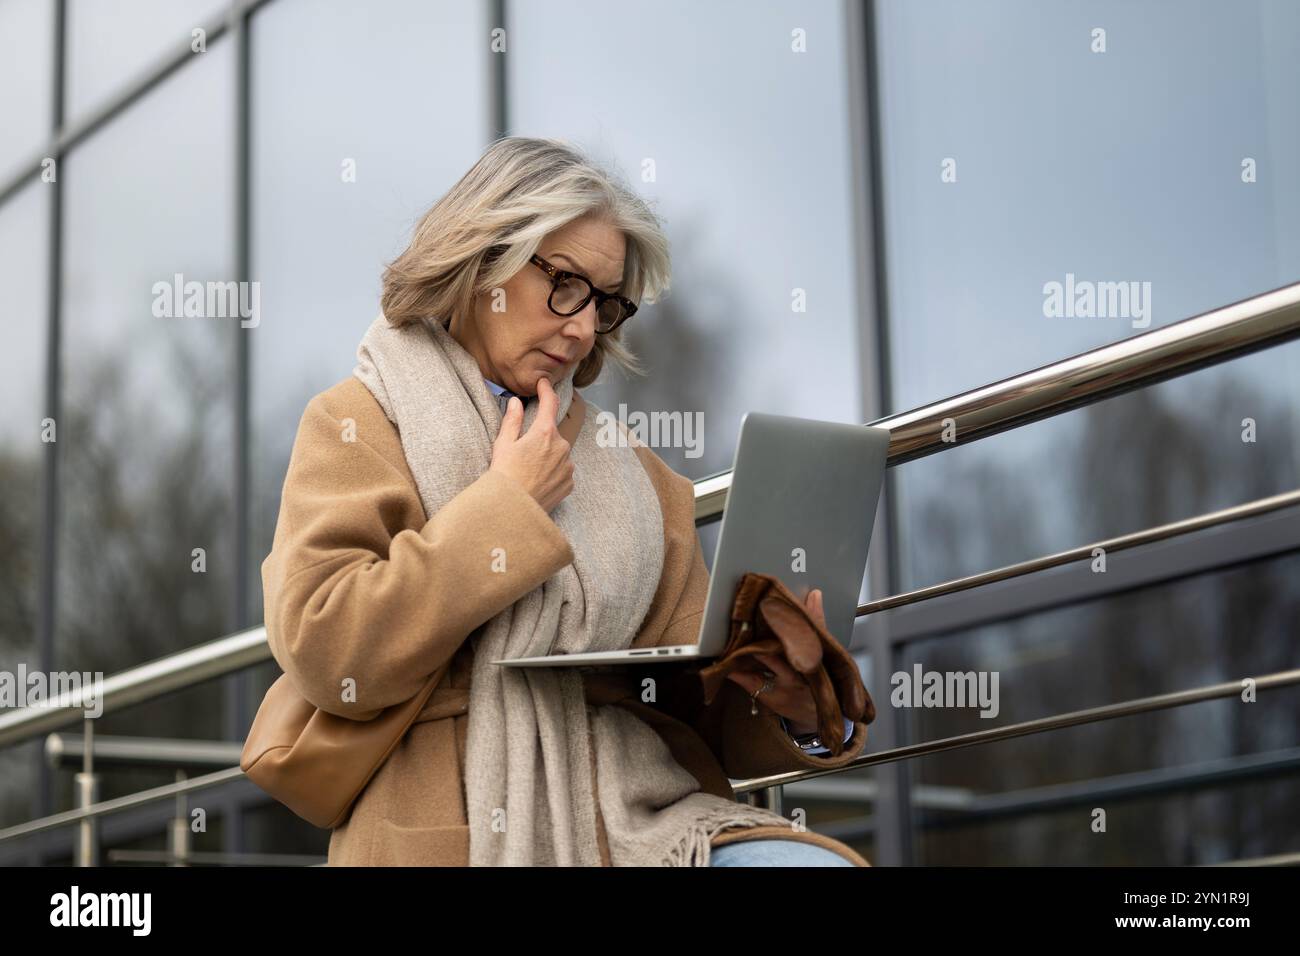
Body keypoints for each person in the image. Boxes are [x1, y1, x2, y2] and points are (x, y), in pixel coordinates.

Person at [261, 136, 870, 867]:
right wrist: (508, 509)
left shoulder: (641, 479)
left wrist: (789, 707)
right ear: (485, 259)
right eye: (565, 283)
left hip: (641, 823)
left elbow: (693, 708)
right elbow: (331, 651)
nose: (583, 326)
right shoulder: (357, 424)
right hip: (448, 831)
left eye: (606, 303)